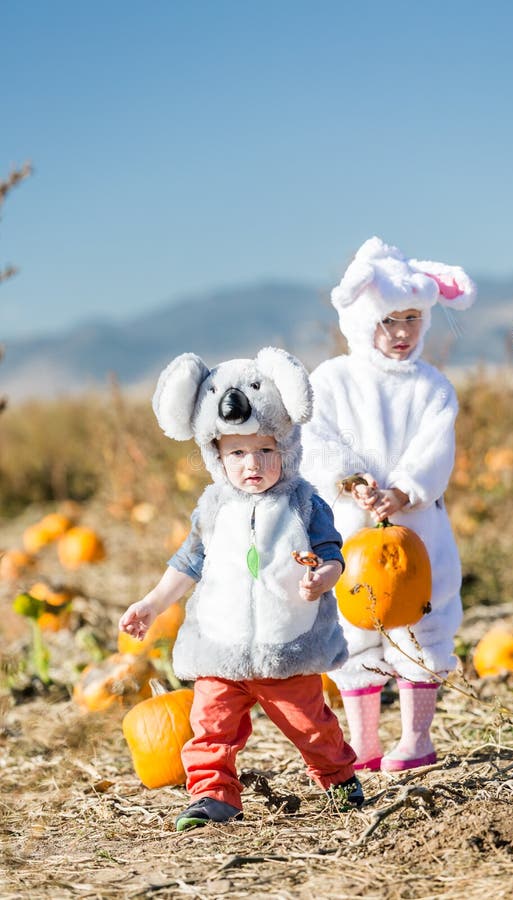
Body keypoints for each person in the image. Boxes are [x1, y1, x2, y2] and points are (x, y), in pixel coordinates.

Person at [119, 347, 362, 830]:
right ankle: (214, 795)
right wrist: (150, 604)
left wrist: (324, 577)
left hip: (286, 646)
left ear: (287, 447)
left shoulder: (305, 504)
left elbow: (333, 554)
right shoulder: (212, 508)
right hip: (222, 649)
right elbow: (187, 564)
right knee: (209, 726)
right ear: (216, 456)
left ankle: (338, 779)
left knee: (311, 725)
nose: (253, 463)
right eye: (237, 452)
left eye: (265, 449)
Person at [301, 236, 477, 772]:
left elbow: (434, 448)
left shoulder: (432, 387)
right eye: (388, 320)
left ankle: (417, 739)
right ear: (360, 321)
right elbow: (318, 438)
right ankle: (365, 744)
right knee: (355, 631)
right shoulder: (332, 380)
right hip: (350, 531)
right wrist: (351, 481)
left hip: (417, 530)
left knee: (419, 626)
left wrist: (402, 490)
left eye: (413, 319)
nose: (402, 333)